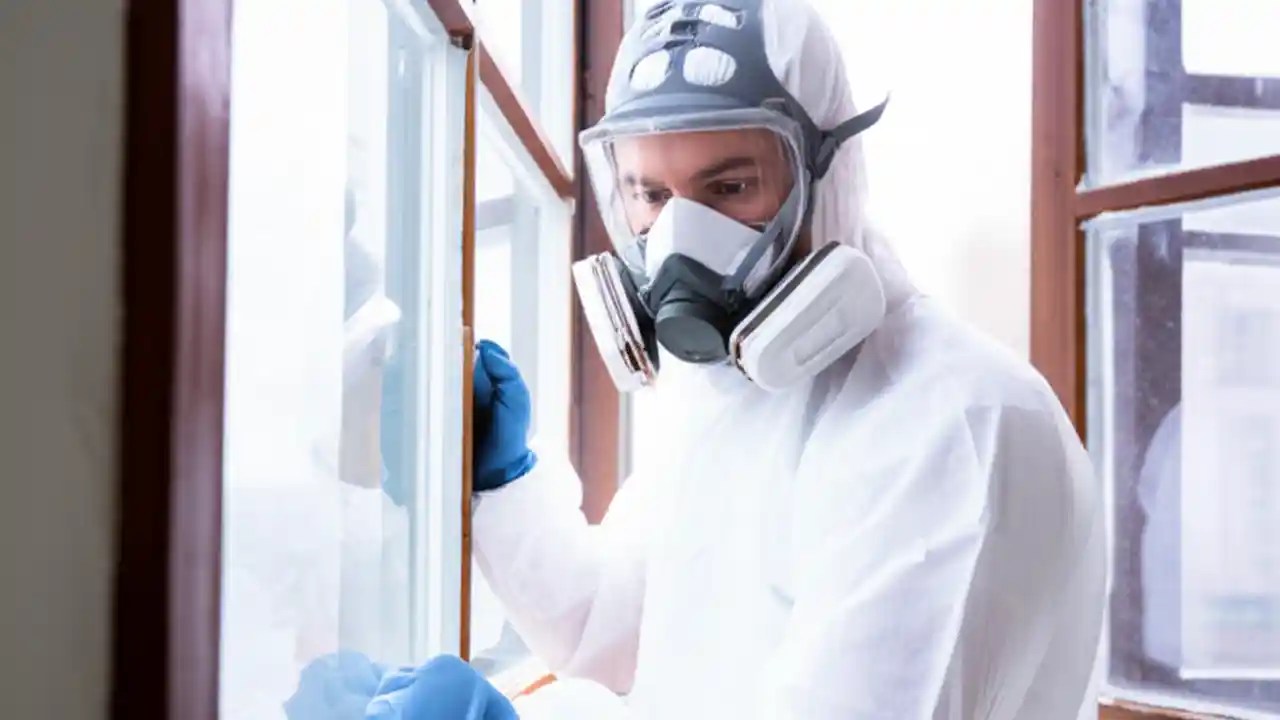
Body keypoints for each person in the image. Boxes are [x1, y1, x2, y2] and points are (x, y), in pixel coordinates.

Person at [295, 0, 1106, 717]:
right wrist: (502, 482)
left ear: (834, 177)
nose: (681, 244)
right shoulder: (734, 393)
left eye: (729, 188)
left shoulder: (950, 423)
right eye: (650, 195)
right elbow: (612, 634)